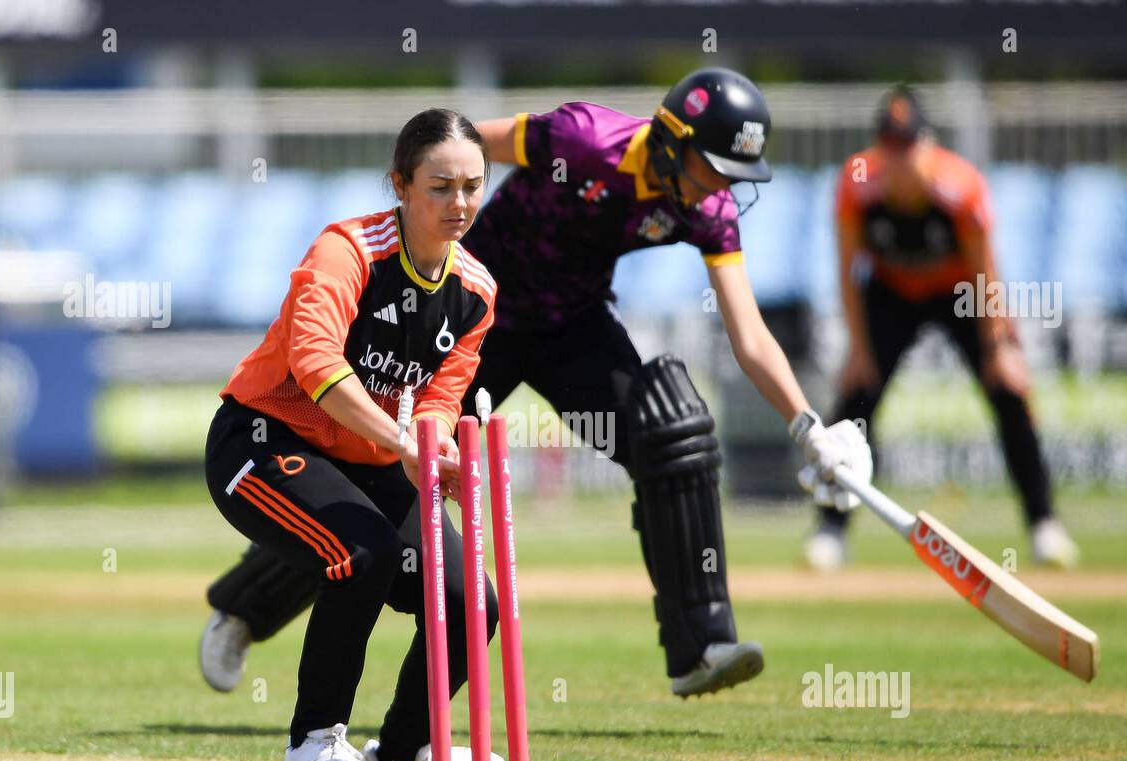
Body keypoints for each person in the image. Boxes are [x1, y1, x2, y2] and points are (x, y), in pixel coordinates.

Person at [202, 68, 872, 707]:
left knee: (670, 433)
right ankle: (245, 609)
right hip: (472, 315)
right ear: (672, 142)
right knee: (388, 473)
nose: (718, 189)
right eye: (712, 169)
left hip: (572, 326)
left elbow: (749, 334)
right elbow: (465, 148)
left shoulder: (709, 207)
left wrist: (808, 426)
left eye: (731, 176)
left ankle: (701, 644)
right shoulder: (582, 138)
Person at [204, 108, 508, 761]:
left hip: (371, 464)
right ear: (400, 184)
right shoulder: (347, 249)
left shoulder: (476, 292)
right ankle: (312, 748)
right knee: (361, 555)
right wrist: (403, 442)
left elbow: (440, 398)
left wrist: (433, 449)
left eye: (472, 186)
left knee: (470, 600)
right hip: (261, 444)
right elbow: (315, 363)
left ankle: (405, 748)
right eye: (439, 187)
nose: (459, 204)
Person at [804, 86, 1079, 571]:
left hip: (960, 292)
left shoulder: (961, 188)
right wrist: (858, 350)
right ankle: (830, 531)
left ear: (927, 144)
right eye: (890, 145)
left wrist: (999, 346)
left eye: (908, 144)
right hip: (891, 291)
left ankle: (1044, 525)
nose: (900, 156)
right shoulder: (856, 184)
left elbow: (985, 272)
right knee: (856, 400)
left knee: (1008, 393)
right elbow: (847, 273)